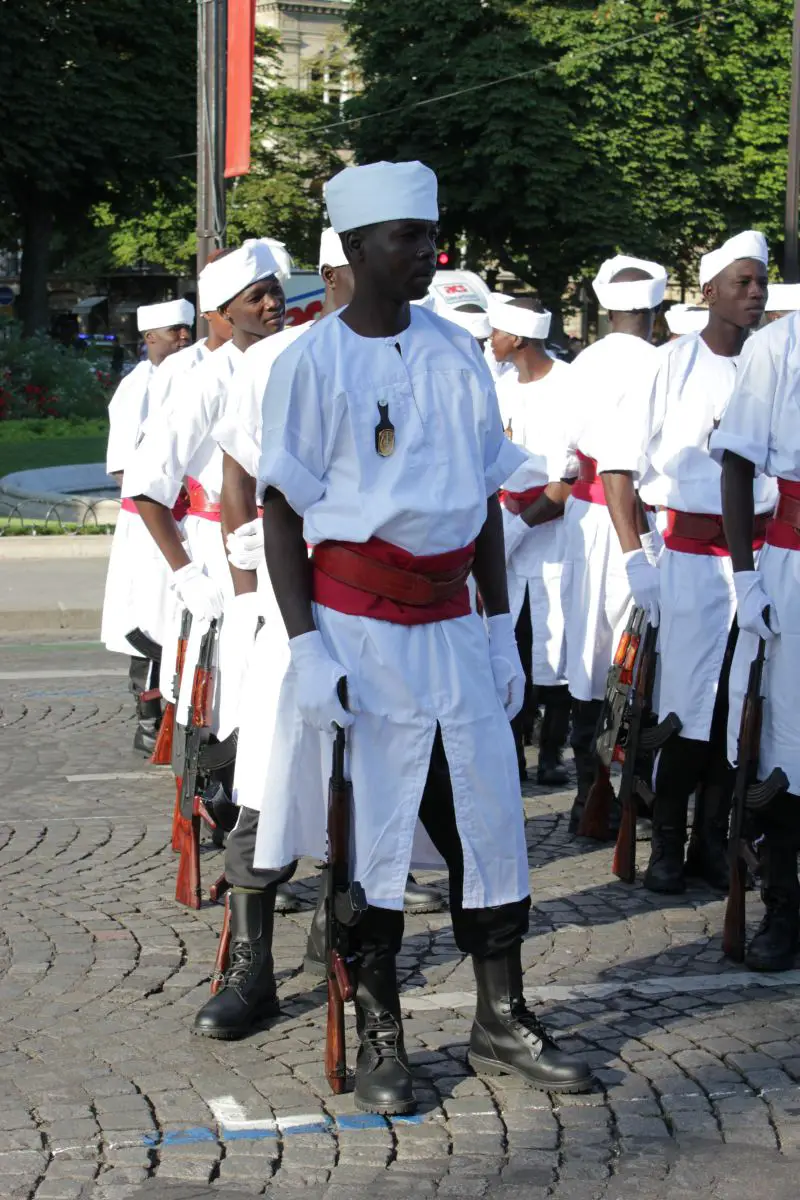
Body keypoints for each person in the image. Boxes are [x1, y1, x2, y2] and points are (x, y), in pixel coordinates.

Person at [250, 160, 593, 1114]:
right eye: (406, 237)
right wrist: (307, 644)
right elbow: (281, 510)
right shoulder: (310, 362)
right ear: (357, 250)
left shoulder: (454, 352)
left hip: (452, 625)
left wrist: (494, 624)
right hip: (360, 628)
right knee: (373, 839)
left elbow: (483, 494)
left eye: (428, 234)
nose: (426, 252)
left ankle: (502, 1015)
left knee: (488, 822)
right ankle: (380, 1032)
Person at [122, 241, 303, 942]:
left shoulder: (295, 361)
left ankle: (276, 846)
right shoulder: (201, 380)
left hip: (284, 552)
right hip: (219, 560)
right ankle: (237, 852)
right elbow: (146, 487)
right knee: (227, 720)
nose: (271, 302)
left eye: (274, 290)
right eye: (254, 295)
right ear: (222, 311)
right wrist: (188, 574)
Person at [603, 231, 774, 894]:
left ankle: (714, 840)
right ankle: (667, 843)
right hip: (691, 558)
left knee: (743, 704)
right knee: (683, 707)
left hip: (762, 558)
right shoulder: (667, 364)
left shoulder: (772, 365)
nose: (754, 294)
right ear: (707, 291)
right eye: (741, 282)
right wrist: (636, 558)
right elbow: (618, 466)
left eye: (760, 282)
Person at [559, 256, 667, 834]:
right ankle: (627, 795)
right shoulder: (663, 362)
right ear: (656, 309)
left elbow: (568, 455)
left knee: (588, 656)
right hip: (640, 523)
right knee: (637, 659)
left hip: (585, 517)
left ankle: (587, 797)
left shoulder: (582, 363)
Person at [710, 311, 800, 970]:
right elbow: (736, 466)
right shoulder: (777, 345)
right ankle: (784, 906)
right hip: (791, 568)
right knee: (784, 755)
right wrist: (746, 577)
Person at [100, 298, 194, 753]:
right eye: (173, 331)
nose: (182, 337)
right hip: (149, 524)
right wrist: (169, 500)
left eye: (186, 329)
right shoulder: (135, 388)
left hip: (188, 518)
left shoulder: (195, 374)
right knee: (147, 623)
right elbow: (123, 468)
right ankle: (147, 715)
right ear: (149, 338)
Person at [488, 295, 573, 785]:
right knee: (514, 643)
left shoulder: (569, 385)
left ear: (517, 337)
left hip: (553, 535)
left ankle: (552, 753)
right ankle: (514, 748)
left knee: (555, 647)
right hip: (506, 527)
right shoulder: (500, 386)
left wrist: (524, 524)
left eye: (496, 332)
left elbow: (568, 477)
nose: (490, 341)